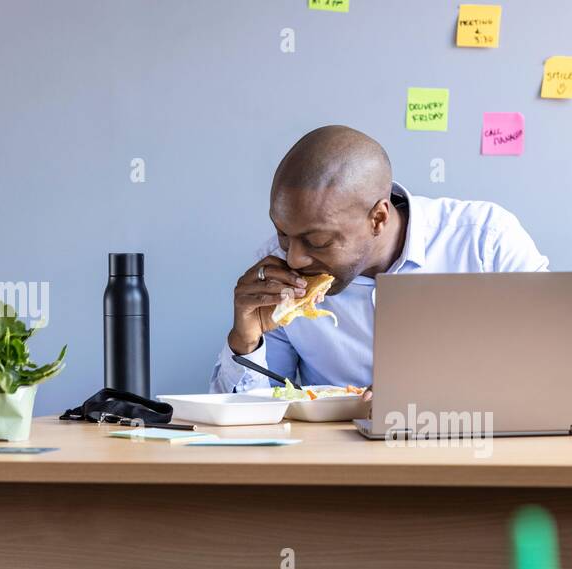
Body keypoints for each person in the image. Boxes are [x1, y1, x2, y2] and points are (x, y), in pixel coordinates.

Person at [210, 125, 549, 394]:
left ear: (378, 218)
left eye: (317, 241)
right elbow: (251, 423)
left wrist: (446, 392)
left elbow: (552, 366)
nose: (295, 258)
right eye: (283, 233)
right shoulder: (273, 276)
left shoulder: (486, 241)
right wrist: (246, 342)